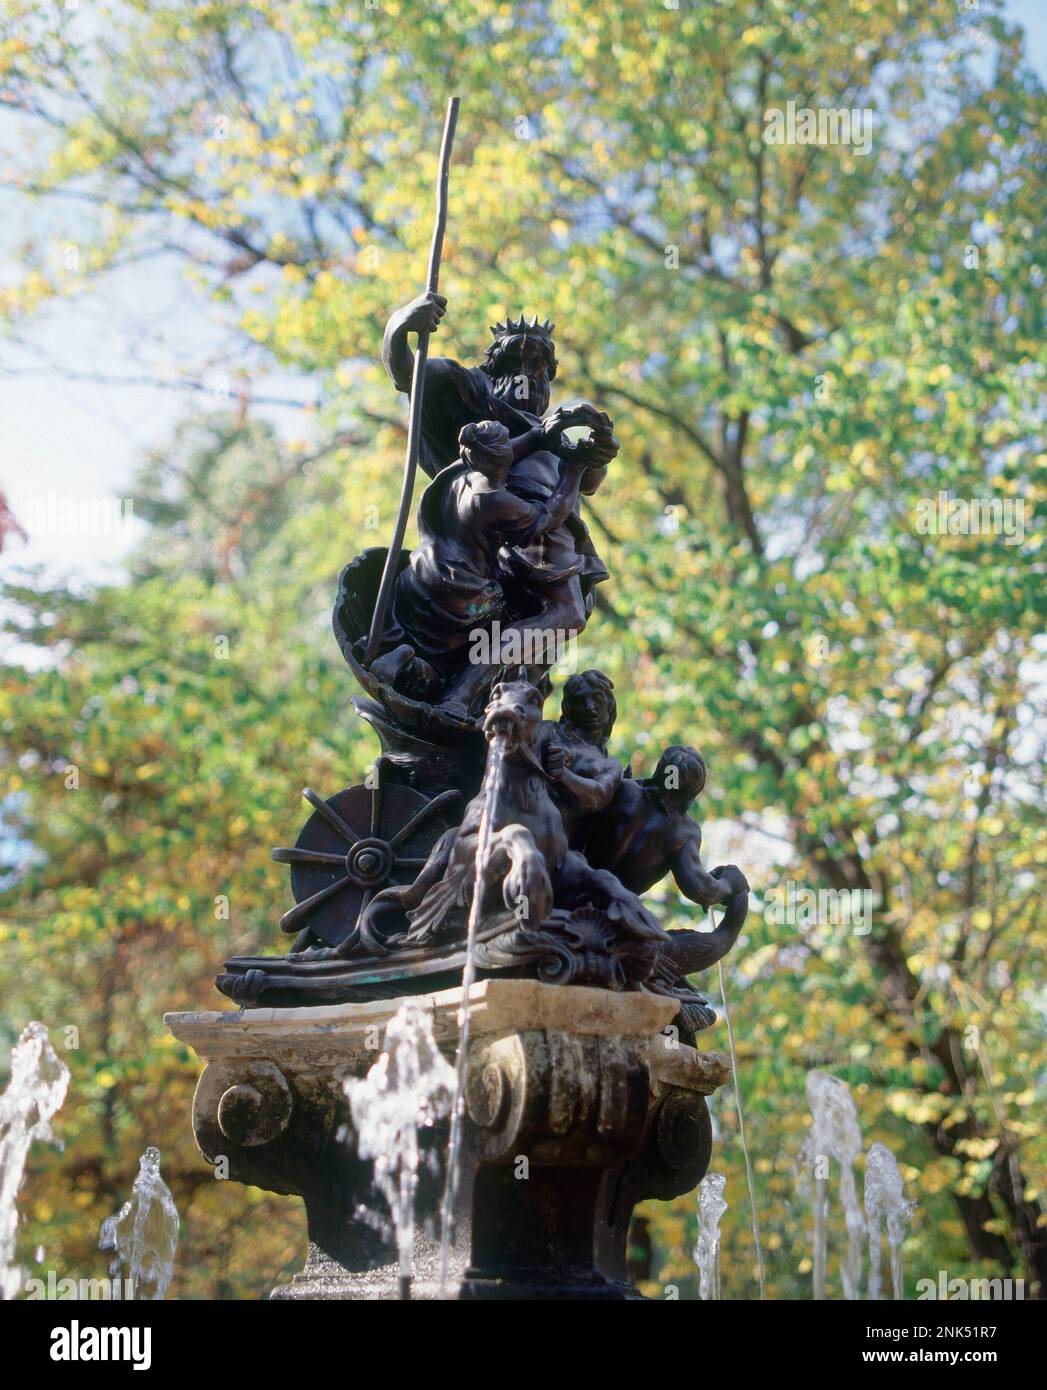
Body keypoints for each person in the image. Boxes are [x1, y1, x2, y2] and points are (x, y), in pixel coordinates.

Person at [372, 420, 591, 712]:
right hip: (460, 593)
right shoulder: (496, 500)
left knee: (438, 644)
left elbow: (500, 453)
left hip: (419, 576)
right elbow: (549, 516)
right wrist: (574, 470)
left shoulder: (458, 473)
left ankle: (404, 656)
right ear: (505, 458)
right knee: (509, 625)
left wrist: (538, 436)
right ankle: (462, 694)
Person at [583, 744, 748, 906]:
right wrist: (730, 883)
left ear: (660, 769)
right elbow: (699, 888)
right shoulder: (684, 833)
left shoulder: (624, 789)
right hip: (613, 909)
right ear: (693, 790)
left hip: (574, 880)